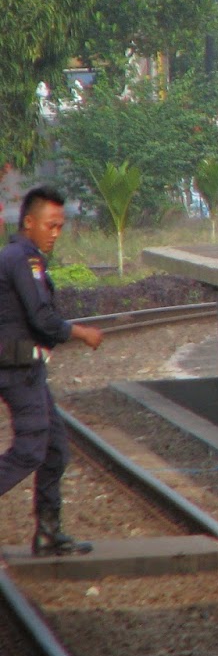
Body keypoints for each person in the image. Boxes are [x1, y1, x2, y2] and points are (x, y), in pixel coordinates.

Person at [0, 186, 103, 556]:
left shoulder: (21, 257)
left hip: (28, 368)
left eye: (60, 226)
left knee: (55, 448)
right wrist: (82, 333)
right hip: (17, 369)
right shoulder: (23, 260)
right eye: (50, 225)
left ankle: (48, 532)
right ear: (29, 223)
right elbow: (41, 317)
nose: (55, 233)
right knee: (30, 449)